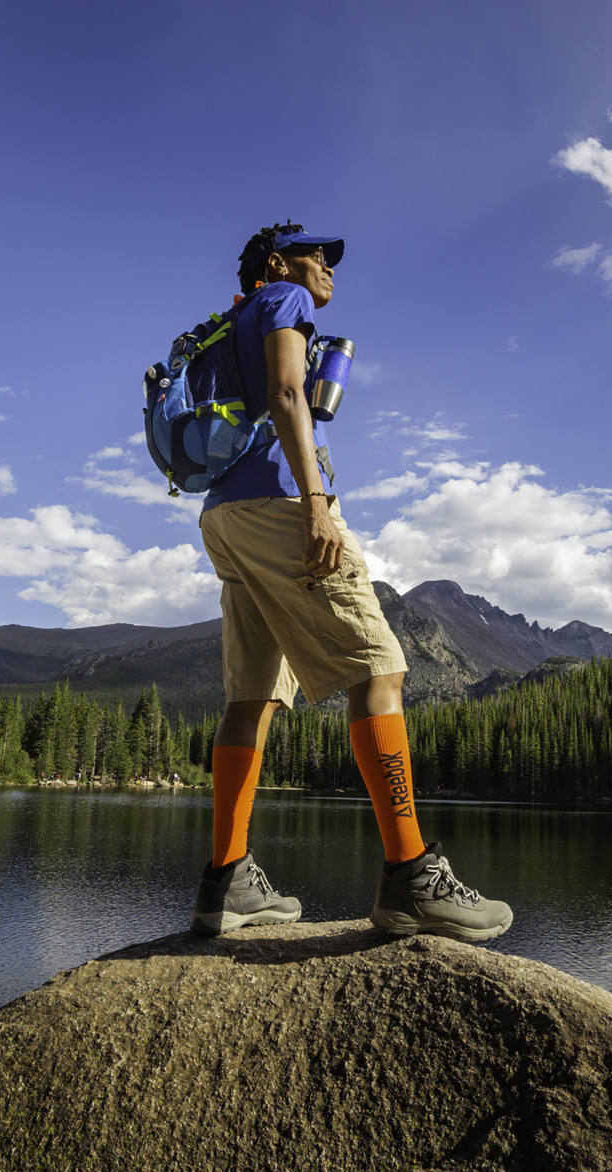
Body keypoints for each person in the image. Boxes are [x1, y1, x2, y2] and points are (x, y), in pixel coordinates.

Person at [191, 224, 512, 943]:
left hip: (224, 516)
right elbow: (284, 390)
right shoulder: (280, 299)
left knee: (253, 694)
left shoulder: (237, 317)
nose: (328, 267)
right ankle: (412, 877)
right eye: (317, 255)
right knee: (380, 669)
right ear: (278, 264)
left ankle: (228, 880)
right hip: (278, 504)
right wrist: (315, 503)